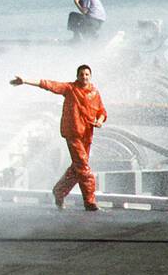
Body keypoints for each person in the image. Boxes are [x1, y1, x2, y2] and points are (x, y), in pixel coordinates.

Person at [9, 66, 108, 211]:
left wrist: (99, 121)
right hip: (73, 134)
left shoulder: (95, 93)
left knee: (77, 168)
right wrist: (25, 81)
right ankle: (90, 202)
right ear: (77, 76)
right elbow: (49, 84)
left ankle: (59, 191)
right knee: (84, 169)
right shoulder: (70, 89)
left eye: (87, 74)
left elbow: (102, 111)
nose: (84, 77)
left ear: (90, 76)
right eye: (81, 74)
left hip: (87, 135)